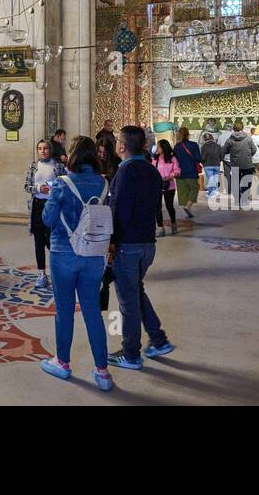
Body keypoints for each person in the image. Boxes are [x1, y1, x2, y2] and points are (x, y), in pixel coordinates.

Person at [40, 136, 113, 392]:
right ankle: (103, 372)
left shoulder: (62, 183)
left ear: (71, 155)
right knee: (92, 311)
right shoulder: (103, 183)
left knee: (65, 310)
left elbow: (48, 219)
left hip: (64, 253)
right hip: (94, 255)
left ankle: (62, 362)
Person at [108, 125, 172, 369]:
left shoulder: (126, 172)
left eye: (117, 140)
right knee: (136, 291)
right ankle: (158, 340)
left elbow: (120, 212)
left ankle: (131, 353)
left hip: (128, 244)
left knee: (128, 301)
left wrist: (111, 242)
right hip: (147, 243)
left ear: (123, 146)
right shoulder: (151, 171)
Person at [24, 138, 66, 288]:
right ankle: (42, 274)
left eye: (45, 148)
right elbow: (27, 186)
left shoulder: (58, 166)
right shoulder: (33, 166)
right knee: (38, 241)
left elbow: (64, 186)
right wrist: (38, 189)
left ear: (50, 150)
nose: (42, 151)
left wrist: (53, 189)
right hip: (37, 205)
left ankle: (58, 271)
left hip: (52, 206)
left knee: (52, 241)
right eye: (40, 148)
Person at [152, 138, 182, 236]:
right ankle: (161, 228)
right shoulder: (155, 159)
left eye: (158, 146)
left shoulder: (172, 159)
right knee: (157, 207)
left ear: (163, 148)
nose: (157, 148)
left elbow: (177, 171)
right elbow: (152, 171)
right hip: (157, 185)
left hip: (169, 186)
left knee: (169, 206)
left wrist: (170, 176)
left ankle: (173, 224)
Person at [223, 123, 257, 209]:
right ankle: (244, 201)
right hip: (247, 164)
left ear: (233, 129)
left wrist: (232, 153)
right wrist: (248, 156)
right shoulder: (248, 138)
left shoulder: (230, 139)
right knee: (247, 183)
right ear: (242, 128)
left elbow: (224, 150)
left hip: (235, 165)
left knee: (235, 183)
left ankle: (237, 201)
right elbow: (254, 150)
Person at [174, 128, 202, 222]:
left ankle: (187, 207)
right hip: (191, 172)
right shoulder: (193, 145)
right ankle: (188, 206)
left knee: (184, 191)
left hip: (180, 173)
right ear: (188, 134)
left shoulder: (177, 146)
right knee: (194, 189)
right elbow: (198, 158)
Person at [199, 131, 224, 200]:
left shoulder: (204, 146)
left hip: (208, 165)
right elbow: (222, 156)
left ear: (204, 139)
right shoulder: (218, 146)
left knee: (210, 179)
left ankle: (211, 193)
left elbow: (203, 157)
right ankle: (215, 191)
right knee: (215, 178)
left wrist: (202, 163)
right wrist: (219, 161)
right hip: (216, 165)